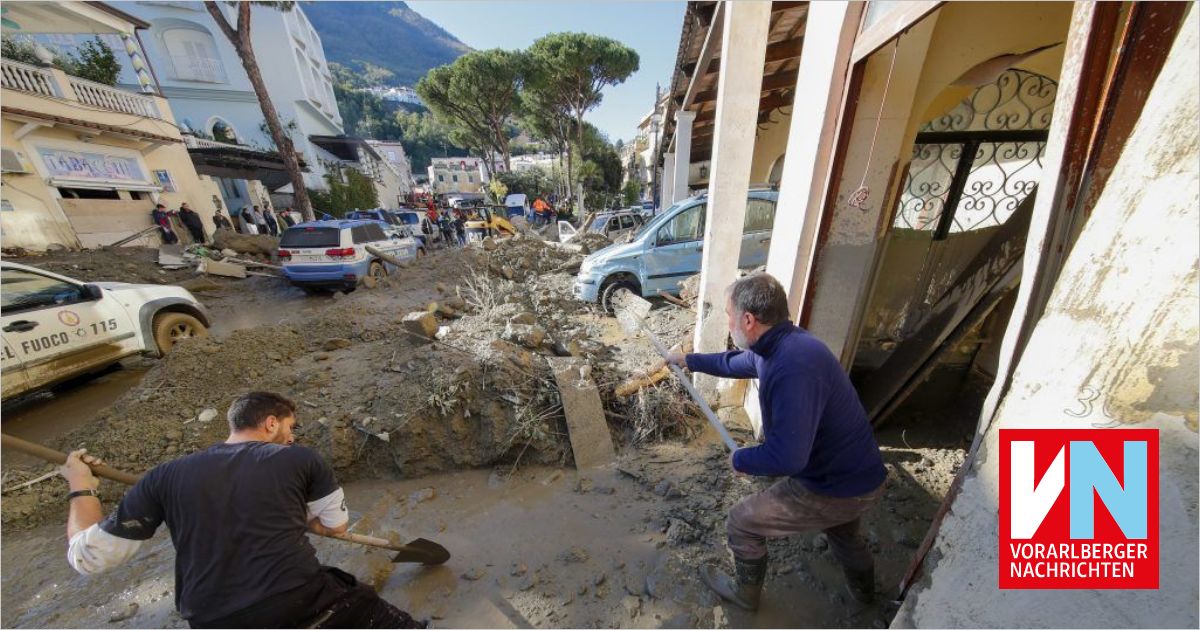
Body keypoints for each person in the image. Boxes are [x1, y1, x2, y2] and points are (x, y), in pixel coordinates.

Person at [58, 391, 424, 628]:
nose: (293, 436)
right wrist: (306, 521)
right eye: (290, 426)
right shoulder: (299, 459)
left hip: (211, 619)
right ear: (270, 423)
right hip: (296, 600)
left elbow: (88, 557)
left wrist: (81, 485)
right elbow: (338, 525)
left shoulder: (164, 477)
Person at [665, 273, 887, 611]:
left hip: (834, 484)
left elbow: (787, 458)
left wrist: (742, 460)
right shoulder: (782, 343)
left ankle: (745, 596)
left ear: (748, 320)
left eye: (728, 314)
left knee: (743, 520)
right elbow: (733, 362)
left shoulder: (792, 366)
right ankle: (867, 598)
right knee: (843, 532)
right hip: (858, 474)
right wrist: (691, 360)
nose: (728, 321)